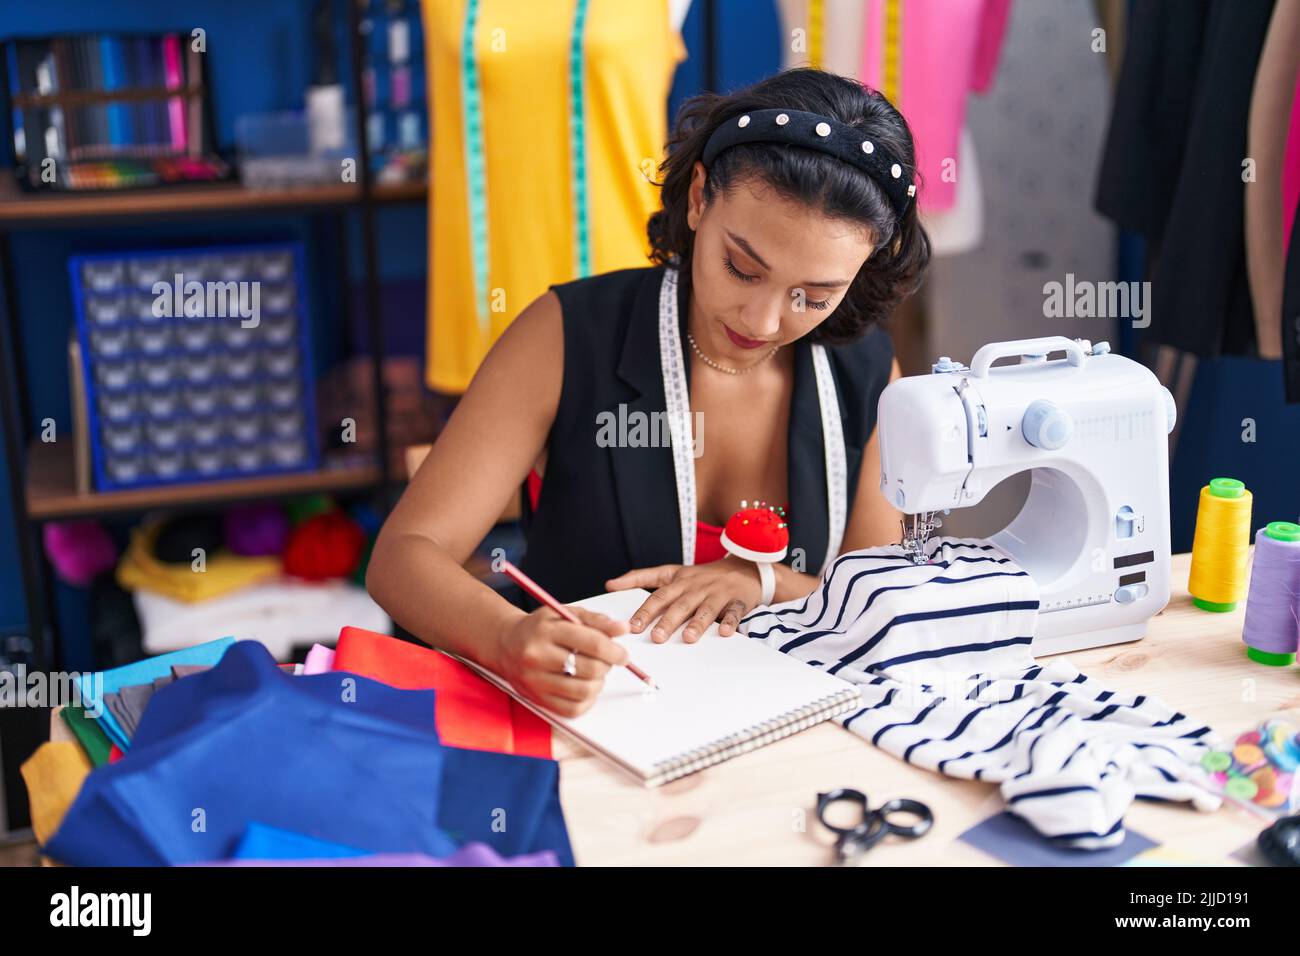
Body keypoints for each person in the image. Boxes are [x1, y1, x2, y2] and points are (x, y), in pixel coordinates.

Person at [367, 69, 932, 717]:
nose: (763, 321)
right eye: (742, 268)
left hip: (783, 725)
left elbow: (880, 601)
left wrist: (761, 580)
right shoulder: (567, 335)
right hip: (593, 720)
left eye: (815, 296)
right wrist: (506, 637)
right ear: (698, 200)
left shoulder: (864, 372)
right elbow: (404, 556)